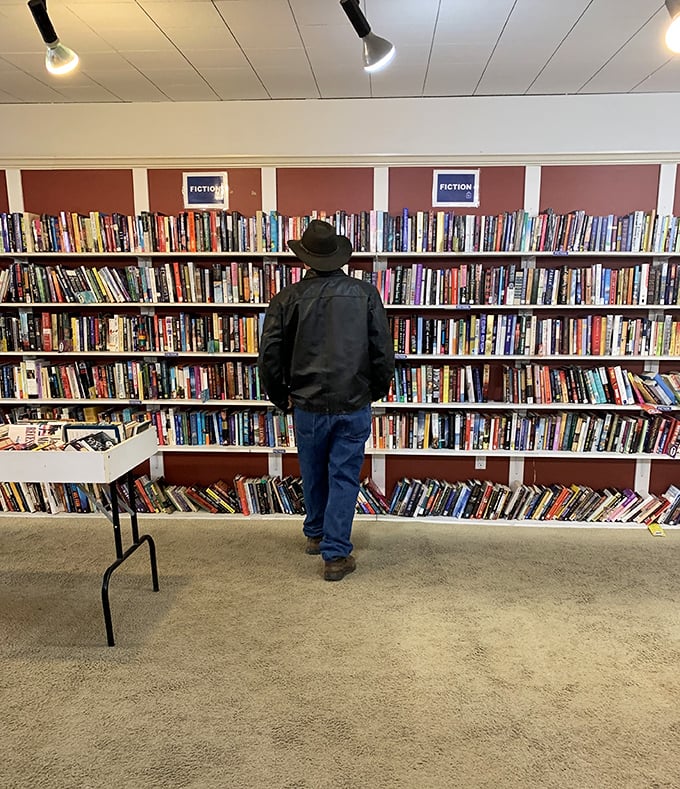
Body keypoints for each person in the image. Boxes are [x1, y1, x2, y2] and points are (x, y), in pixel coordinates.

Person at [258, 219, 394, 581]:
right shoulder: (365, 294)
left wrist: (280, 396)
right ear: (338, 257)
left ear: (305, 259)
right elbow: (382, 351)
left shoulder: (285, 299)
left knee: (313, 470)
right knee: (344, 476)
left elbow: (269, 355)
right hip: (353, 402)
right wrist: (375, 390)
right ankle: (335, 555)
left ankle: (316, 534)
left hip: (306, 403)